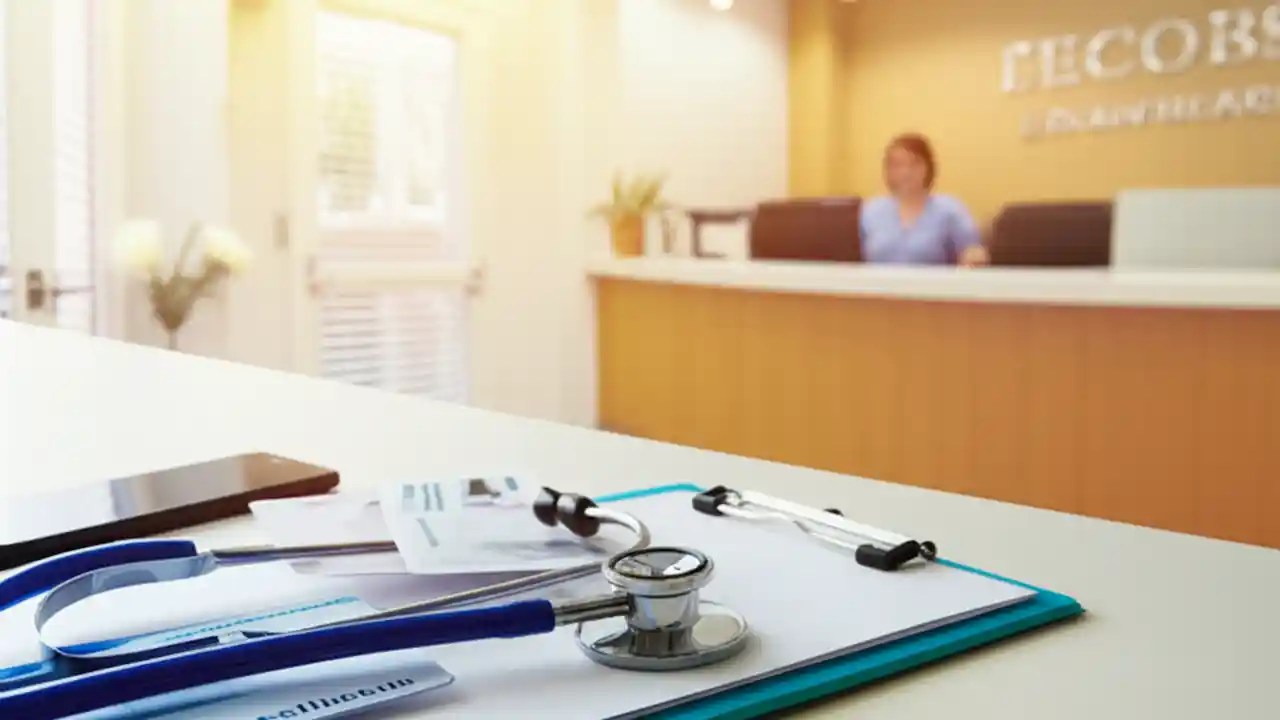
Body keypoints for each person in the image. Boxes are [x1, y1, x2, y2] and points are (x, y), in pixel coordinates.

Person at [859, 133, 989, 267]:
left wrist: (973, 257)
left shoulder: (950, 209)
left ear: (928, 168)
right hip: (878, 287)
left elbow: (972, 250)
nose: (906, 172)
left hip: (933, 287)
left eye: (914, 164)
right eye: (897, 165)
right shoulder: (871, 210)